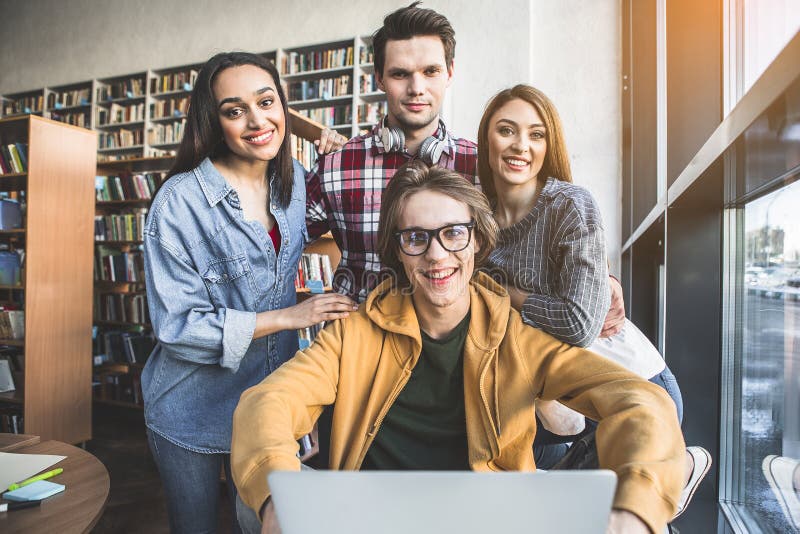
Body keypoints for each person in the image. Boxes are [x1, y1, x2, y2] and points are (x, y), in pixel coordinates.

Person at [232, 160, 686, 534]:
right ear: (400, 251)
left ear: (477, 240)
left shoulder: (518, 335)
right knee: (249, 502)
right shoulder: (355, 332)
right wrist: (277, 504)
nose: (436, 254)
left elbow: (640, 402)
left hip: (483, 520)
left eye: (453, 233)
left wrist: (634, 514)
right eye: (416, 238)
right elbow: (269, 403)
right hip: (374, 517)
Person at [142, 51, 357, 533]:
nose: (257, 120)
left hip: (267, 404)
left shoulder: (298, 183)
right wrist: (288, 317)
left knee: (262, 523)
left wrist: (340, 160)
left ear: (283, 105)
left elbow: (352, 220)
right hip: (190, 408)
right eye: (235, 110)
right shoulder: (177, 204)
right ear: (214, 121)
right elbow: (178, 327)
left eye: (267, 102)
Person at [477, 84, 711, 517]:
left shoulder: (569, 204)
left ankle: (674, 470)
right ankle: (671, 475)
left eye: (536, 134)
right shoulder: (475, 215)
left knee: (581, 516)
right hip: (554, 403)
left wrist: (508, 296)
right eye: (506, 130)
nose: (520, 146)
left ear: (550, 145)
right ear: (485, 138)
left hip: (628, 390)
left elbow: (581, 323)